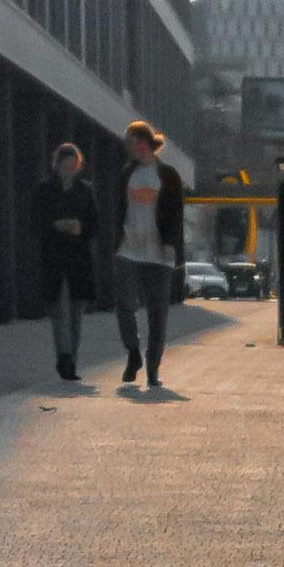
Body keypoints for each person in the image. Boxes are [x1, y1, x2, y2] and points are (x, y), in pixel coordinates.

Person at [111, 120, 184, 392]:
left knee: (158, 315)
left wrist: (172, 245)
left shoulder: (168, 175)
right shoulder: (126, 174)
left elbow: (176, 213)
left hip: (159, 255)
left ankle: (153, 370)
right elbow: (117, 208)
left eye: (134, 141)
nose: (131, 147)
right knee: (125, 305)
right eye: (128, 143)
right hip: (128, 250)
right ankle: (133, 353)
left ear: (146, 142)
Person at [37, 137, 101, 387]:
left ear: (78, 166)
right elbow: (35, 222)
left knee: (76, 314)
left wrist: (80, 227)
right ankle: (64, 359)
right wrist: (56, 225)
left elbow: (95, 225)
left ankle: (71, 359)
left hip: (79, 259)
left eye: (73, 165)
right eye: (65, 165)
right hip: (54, 257)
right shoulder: (44, 190)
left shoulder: (86, 191)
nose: (69, 169)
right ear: (57, 165)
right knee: (59, 312)